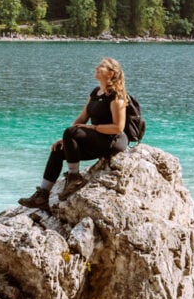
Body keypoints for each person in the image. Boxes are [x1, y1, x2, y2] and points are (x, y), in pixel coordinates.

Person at [18, 57, 128, 213]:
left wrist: (92, 127)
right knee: (58, 150)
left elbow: (118, 127)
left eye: (101, 66)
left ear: (110, 73)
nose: (96, 67)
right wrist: (65, 139)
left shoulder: (117, 97)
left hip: (112, 141)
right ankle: (42, 195)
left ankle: (74, 178)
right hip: (96, 138)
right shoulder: (95, 93)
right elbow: (82, 118)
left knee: (71, 133)